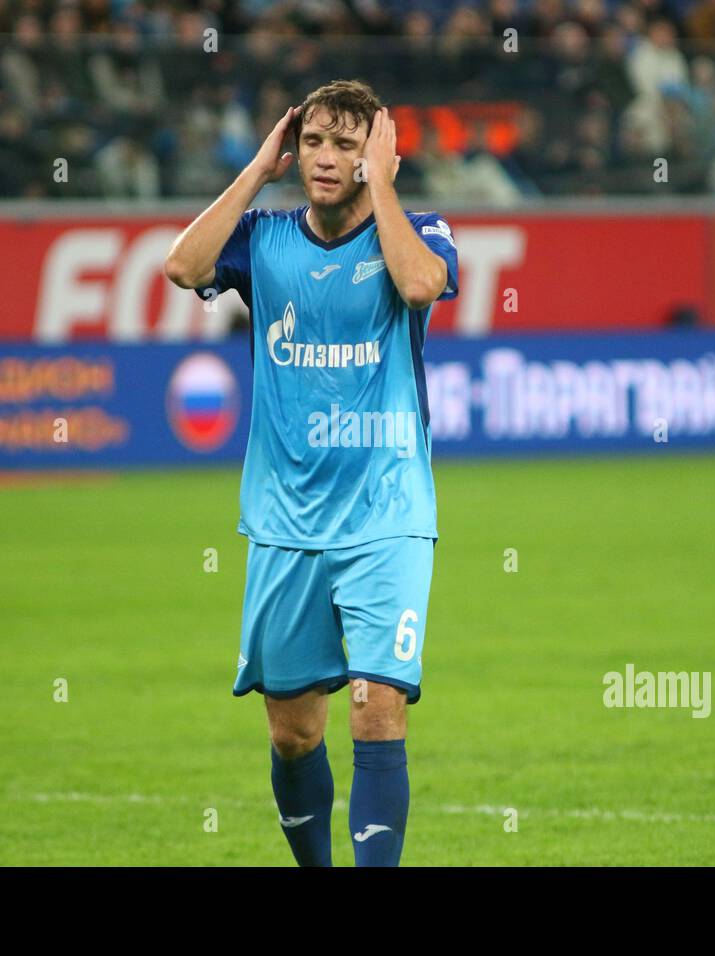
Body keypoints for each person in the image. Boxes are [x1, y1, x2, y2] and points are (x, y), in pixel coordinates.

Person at [164, 79, 458, 866]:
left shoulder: (419, 231)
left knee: (375, 710)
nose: (326, 160)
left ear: (376, 156)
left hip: (387, 515)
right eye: (316, 142)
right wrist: (256, 171)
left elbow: (421, 285)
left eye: (348, 146)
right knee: (294, 734)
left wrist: (385, 190)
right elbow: (181, 264)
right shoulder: (261, 240)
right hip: (286, 524)